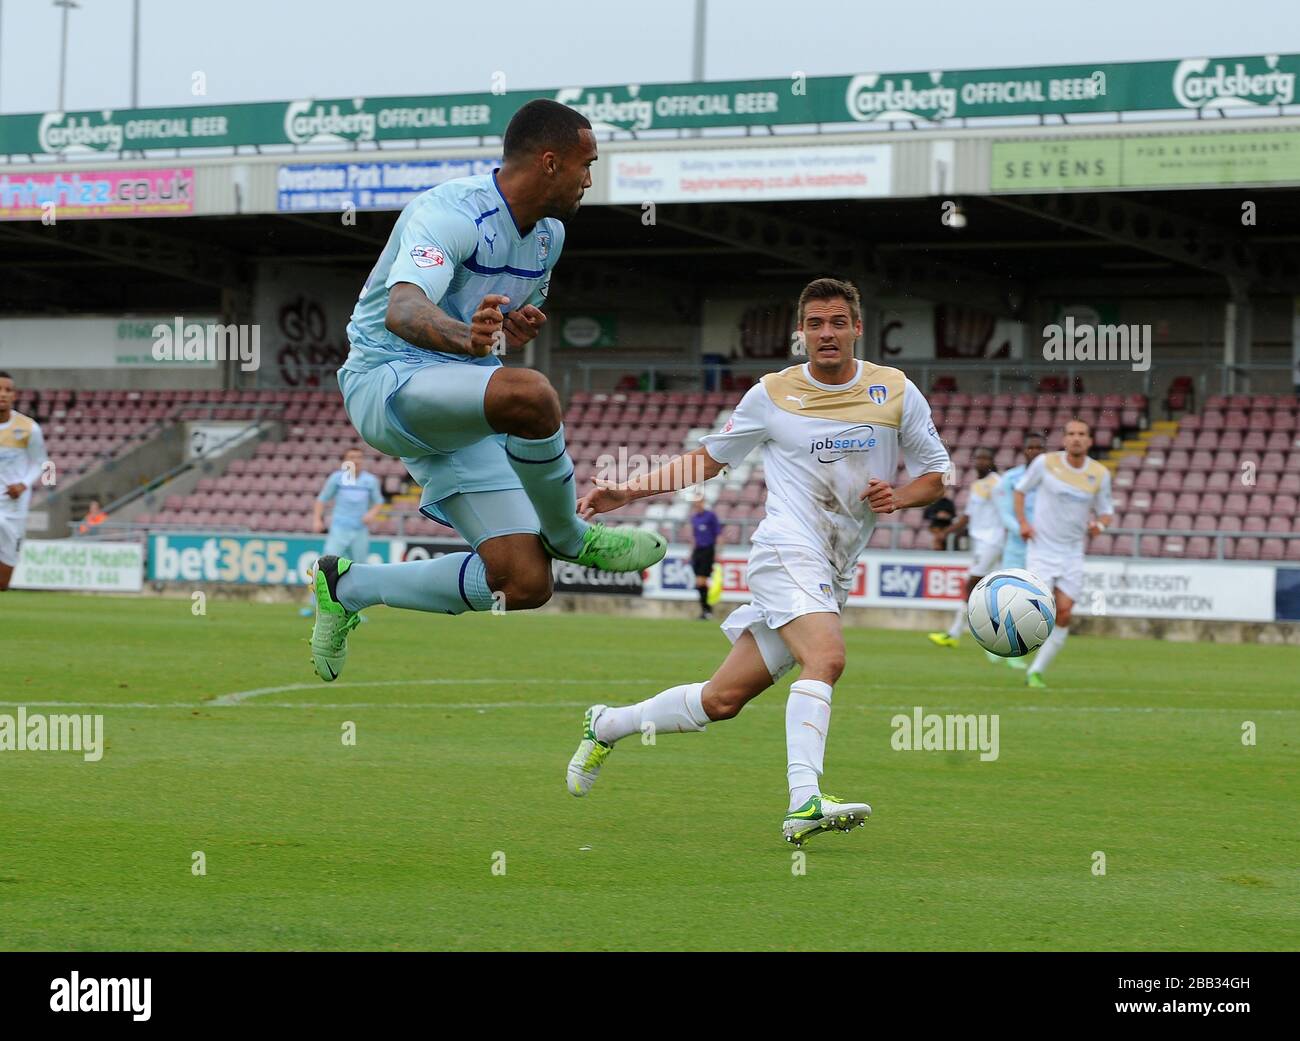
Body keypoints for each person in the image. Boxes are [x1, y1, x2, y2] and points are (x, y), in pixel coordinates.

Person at [565, 278, 950, 846]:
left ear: (857, 328)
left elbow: (936, 476)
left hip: (835, 566)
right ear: (801, 332)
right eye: (815, 323)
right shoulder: (770, 394)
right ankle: (804, 801)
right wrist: (627, 492)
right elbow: (706, 461)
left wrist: (902, 496)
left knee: (721, 701)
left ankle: (607, 724)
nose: (826, 333)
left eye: (838, 322)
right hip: (787, 549)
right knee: (828, 657)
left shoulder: (894, 391)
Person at [306, 100, 665, 681]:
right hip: (386, 381)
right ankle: (571, 534)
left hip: (457, 397)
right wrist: (467, 339)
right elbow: (403, 308)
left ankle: (347, 585)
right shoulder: (449, 210)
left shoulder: (549, 236)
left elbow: (495, 331)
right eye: (585, 165)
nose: (590, 179)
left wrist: (509, 332)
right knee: (533, 396)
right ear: (550, 162)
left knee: (523, 582)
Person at [1014, 419, 1114, 689]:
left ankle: (1036, 671)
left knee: (1066, 613)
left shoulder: (1100, 474)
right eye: (1071, 434)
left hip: (1072, 553)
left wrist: (1100, 525)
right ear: (1064, 439)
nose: (1076, 438)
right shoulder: (1045, 463)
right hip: (1042, 549)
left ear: (1090, 440)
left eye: (1082, 434)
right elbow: (1020, 490)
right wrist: (1023, 522)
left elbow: (1106, 511)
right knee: (1038, 609)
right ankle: (1005, 643)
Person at [927, 447, 1005, 659]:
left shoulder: (997, 484)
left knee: (971, 585)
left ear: (991, 462)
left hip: (992, 541)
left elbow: (1005, 513)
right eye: (978, 457)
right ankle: (998, 640)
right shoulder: (977, 485)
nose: (981, 461)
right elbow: (968, 517)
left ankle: (953, 633)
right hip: (979, 542)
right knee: (991, 592)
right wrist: (946, 533)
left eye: (985, 458)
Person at [301, 447, 383, 617]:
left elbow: (378, 502)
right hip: (339, 529)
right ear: (345, 461)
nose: (356, 461)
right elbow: (321, 500)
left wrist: (371, 514)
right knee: (324, 568)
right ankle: (313, 605)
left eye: (359, 457)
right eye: (352, 457)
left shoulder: (370, 481)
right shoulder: (337, 479)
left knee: (359, 570)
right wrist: (317, 520)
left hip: (359, 531)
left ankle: (356, 611)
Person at [0, 371, 47, 591]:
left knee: (3, 583)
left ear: (14, 395)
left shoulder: (29, 428)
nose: (3, 394)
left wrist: (23, 484)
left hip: (14, 508)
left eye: (8, 390)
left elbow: (42, 463)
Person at [995, 432, 1044, 571]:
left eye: (1038, 448)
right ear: (1024, 450)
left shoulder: (1050, 479)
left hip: (1043, 547)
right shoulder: (1010, 478)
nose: (1034, 451)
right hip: (1016, 548)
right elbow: (1005, 514)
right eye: (1030, 447)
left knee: (1042, 591)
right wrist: (1023, 530)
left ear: (1044, 451)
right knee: (1011, 588)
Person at [688, 493, 721, 619]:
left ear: (703, 502)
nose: (697, 505)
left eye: (699, 502)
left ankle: (706, 611)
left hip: (708, 550)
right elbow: (694, 536)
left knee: (701, 581)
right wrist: (691, 553)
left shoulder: (710, 516)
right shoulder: (694, 518)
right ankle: (707, 610)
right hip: (698, 551)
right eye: (695, 503)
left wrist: (718, 552)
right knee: (699, 582)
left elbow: (718, 534)